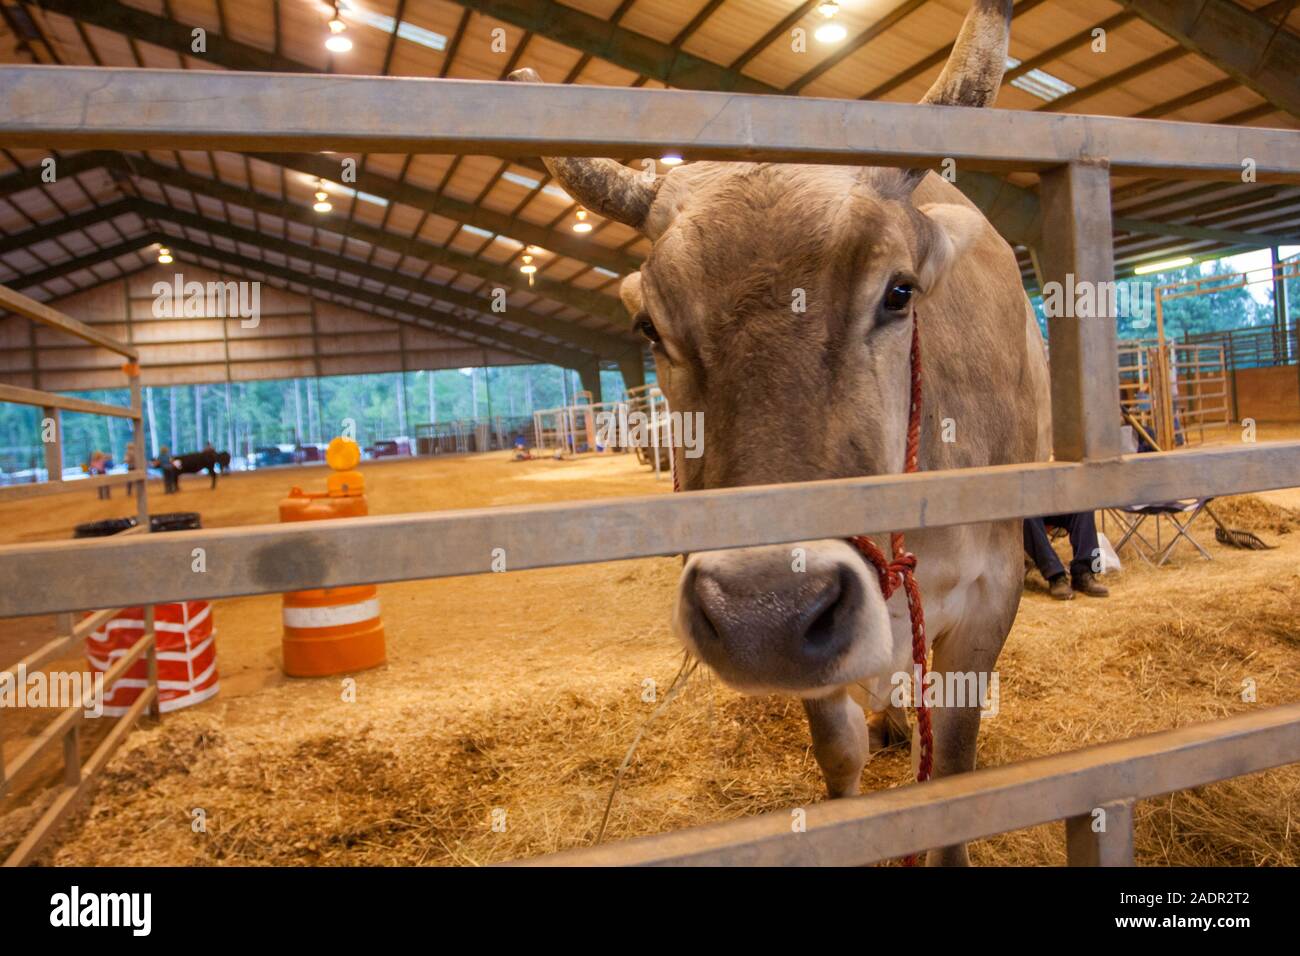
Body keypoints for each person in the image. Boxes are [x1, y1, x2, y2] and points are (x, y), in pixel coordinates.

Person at [1023, 512, 1110, 601]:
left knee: (1084, 504)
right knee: (1023, 515)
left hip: (1058, 505)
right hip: (1031, 510)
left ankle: (1084, 572)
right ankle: (1055, 576)